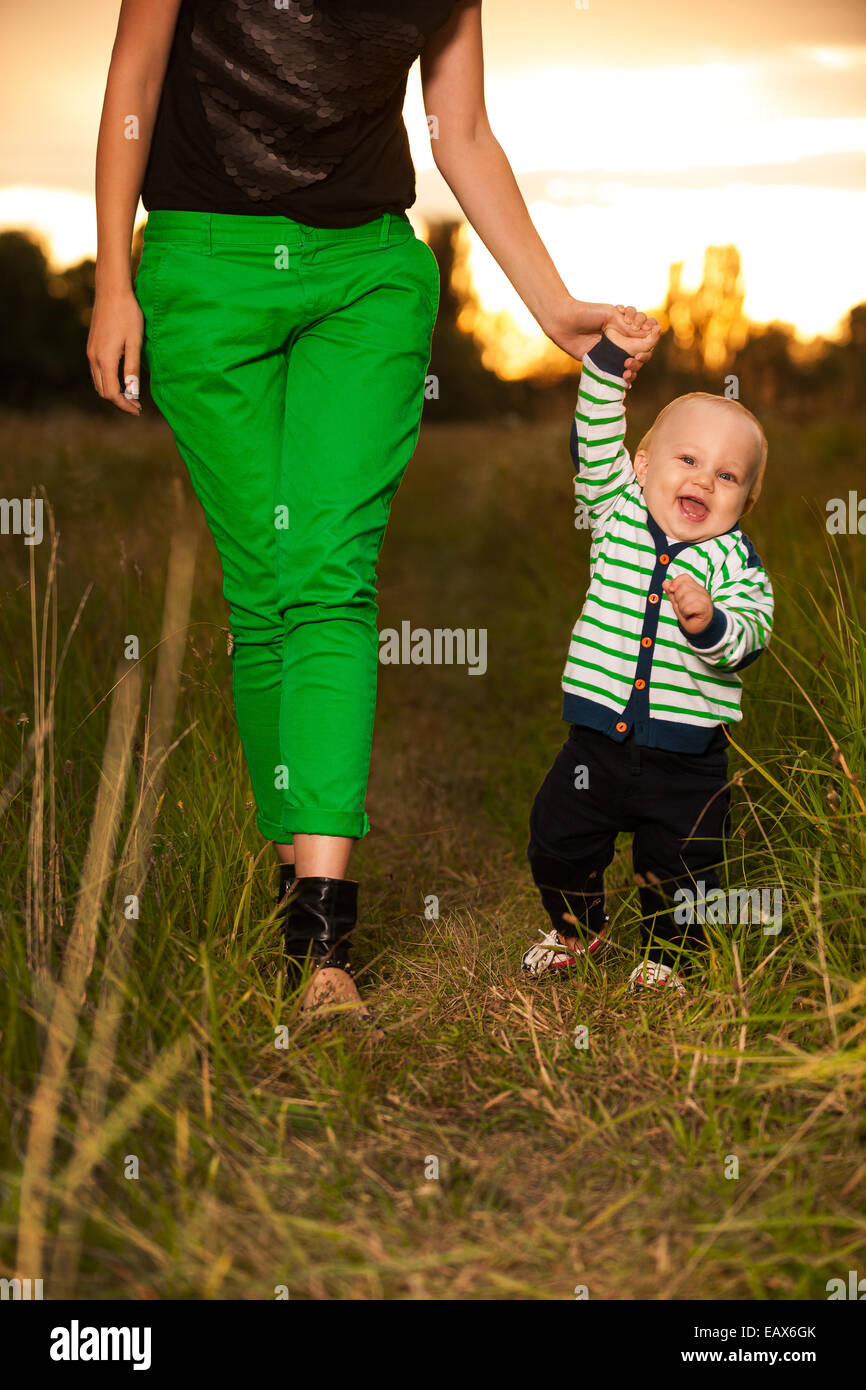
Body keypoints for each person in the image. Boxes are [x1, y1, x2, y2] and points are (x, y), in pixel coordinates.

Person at [87, 0, 653, 1014]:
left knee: (327, 576)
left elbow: (460, 131)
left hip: (364, 279)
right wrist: (112, 282)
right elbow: (133, 80)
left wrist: (550, 302)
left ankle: (321, 941)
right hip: (202, 268)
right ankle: (290, 868)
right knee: (261, 590)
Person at [522, 310, 774, 996]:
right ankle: (578, 925)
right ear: (643, 463)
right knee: (558, 836)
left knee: (684, 865)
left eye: (727, 476)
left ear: (746, 500)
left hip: (689, 758)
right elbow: (594, 433)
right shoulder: (617, 509)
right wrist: (610, 360)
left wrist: (710, 621)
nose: (702, 481)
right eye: (687, 460)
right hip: (597, 742)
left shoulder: (734, 563)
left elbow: (752, 633)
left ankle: (669, 956)